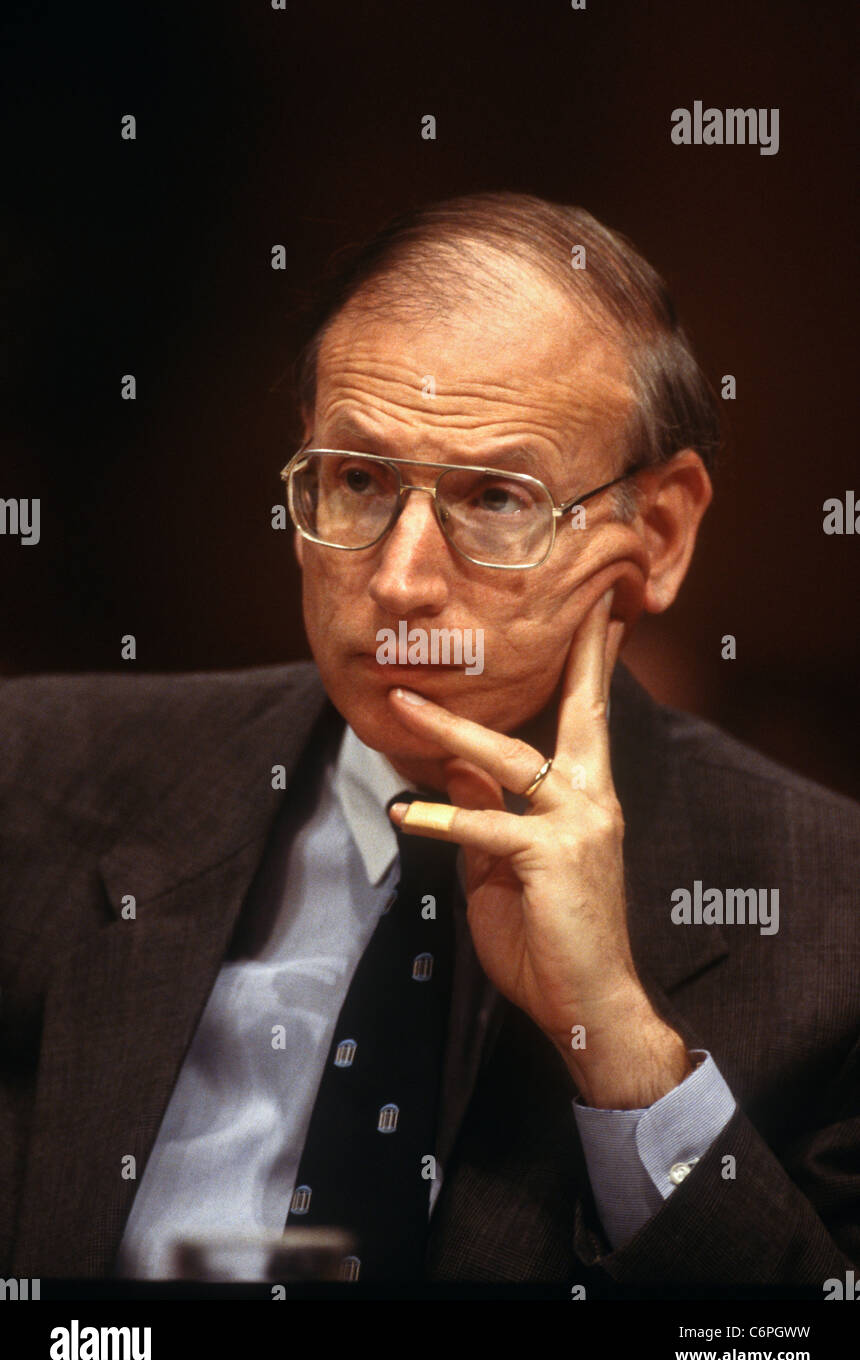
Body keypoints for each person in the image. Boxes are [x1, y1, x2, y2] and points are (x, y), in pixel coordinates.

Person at [1, 192, 857, 1291]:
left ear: (656, 531)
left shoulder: (829, 920)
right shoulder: (36, 779)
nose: (400, 580)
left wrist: (623, 1050)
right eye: (356, 480)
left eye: (495, 497)